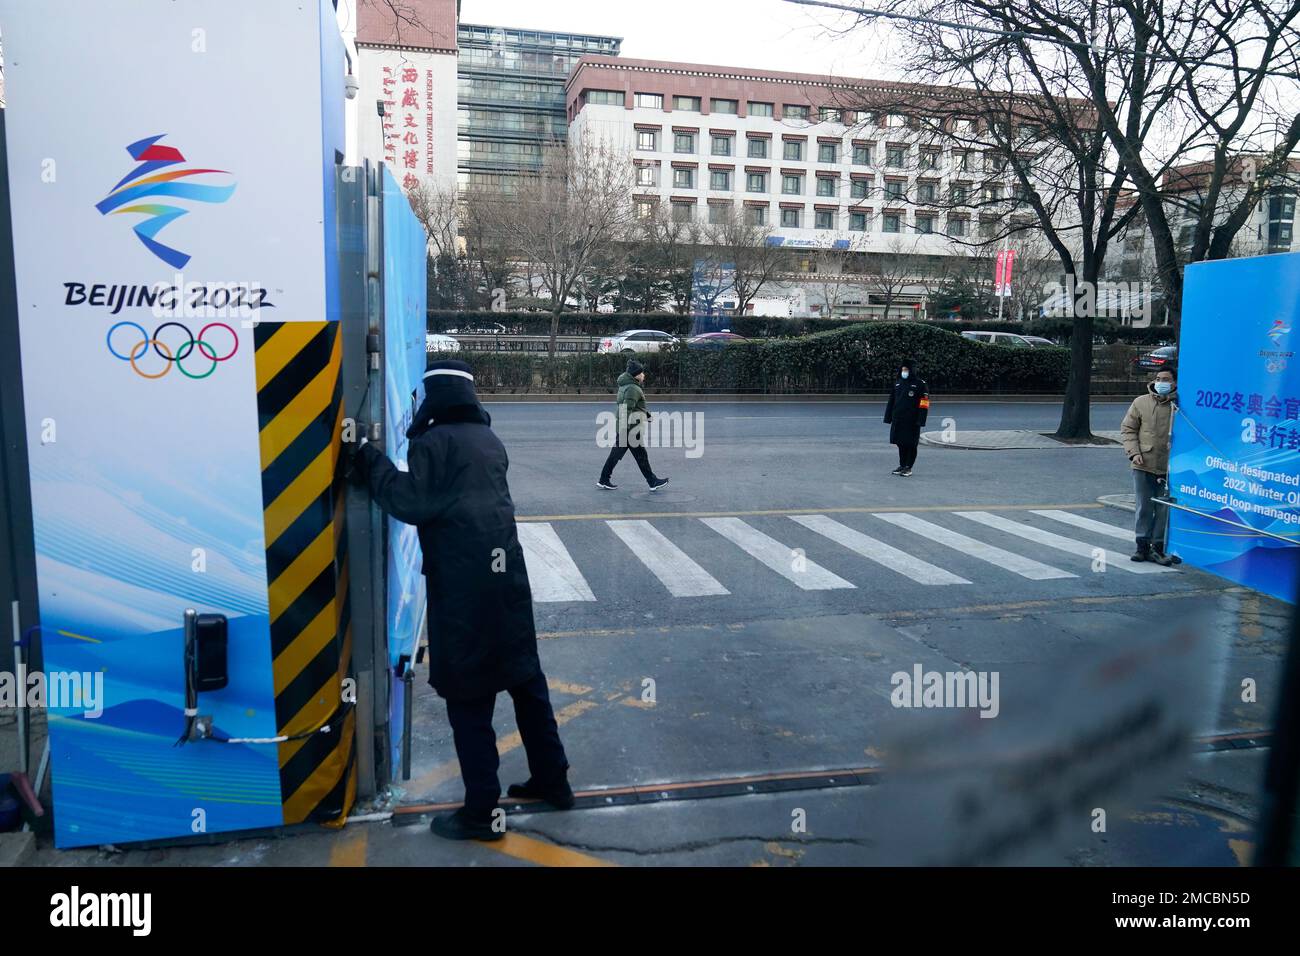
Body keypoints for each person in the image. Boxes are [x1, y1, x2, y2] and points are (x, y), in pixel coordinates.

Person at [349, 359, 573, 841]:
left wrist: (369, 459)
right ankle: (555, 782)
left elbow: (411, 502)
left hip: (462, 587)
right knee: (525, 681)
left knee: (469, 698)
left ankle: (481, 814)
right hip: (507, 577)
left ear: (432, 397)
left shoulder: (434, 443)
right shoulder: (488, 439)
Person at [1121, 365, 1181, 565]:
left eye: (1166, 379)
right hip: (1143, 463)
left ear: (1175, 383)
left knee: (1164, 509)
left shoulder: (1180, 405)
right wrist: (1134, 453)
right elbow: (1128, 429)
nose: (1161, 383)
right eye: (1158, 378)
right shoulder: (1141, 402)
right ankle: (1141, 546)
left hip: (1169, 467)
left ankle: (1158, 547)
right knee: (1144, 507)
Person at [597, 358, 670, 491]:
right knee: (640, 456)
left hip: (626, 428)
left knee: (617, 455)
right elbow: (626, 408)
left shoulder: (625, 385)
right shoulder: (633, 388)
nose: (644, 375)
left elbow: (632, 406)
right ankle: (652, 482)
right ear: (636, 375)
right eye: (642, 373)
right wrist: (625, 431)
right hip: (631, 429)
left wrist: (646, 415)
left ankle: (604, 479)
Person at [883, 358, 929, 477]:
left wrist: (921, 420)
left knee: (911, 444)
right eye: (903, 369)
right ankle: (902, 465)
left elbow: (924, 403)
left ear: (912, 370)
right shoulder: (898, 382)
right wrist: (888, 417)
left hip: (912, 420)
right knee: (900, 443)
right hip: (898, 419)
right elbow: (891, 401)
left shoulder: (920, 384)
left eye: (906, 369)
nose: (904, 371)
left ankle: (908, 467)